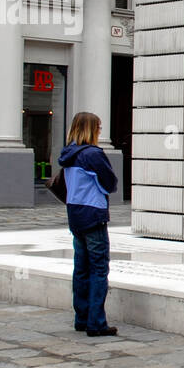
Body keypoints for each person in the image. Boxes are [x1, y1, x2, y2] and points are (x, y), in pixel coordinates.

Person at [59, 112, 119, 335]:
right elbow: (110, 183)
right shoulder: (93, 154)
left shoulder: (68, 153)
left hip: (75, 213)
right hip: (93, 214)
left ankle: (81, 318)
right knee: (99, 268)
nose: (100, 132)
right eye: (99, 127)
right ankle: (96, 323)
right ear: (91, 129)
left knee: (81, 268)